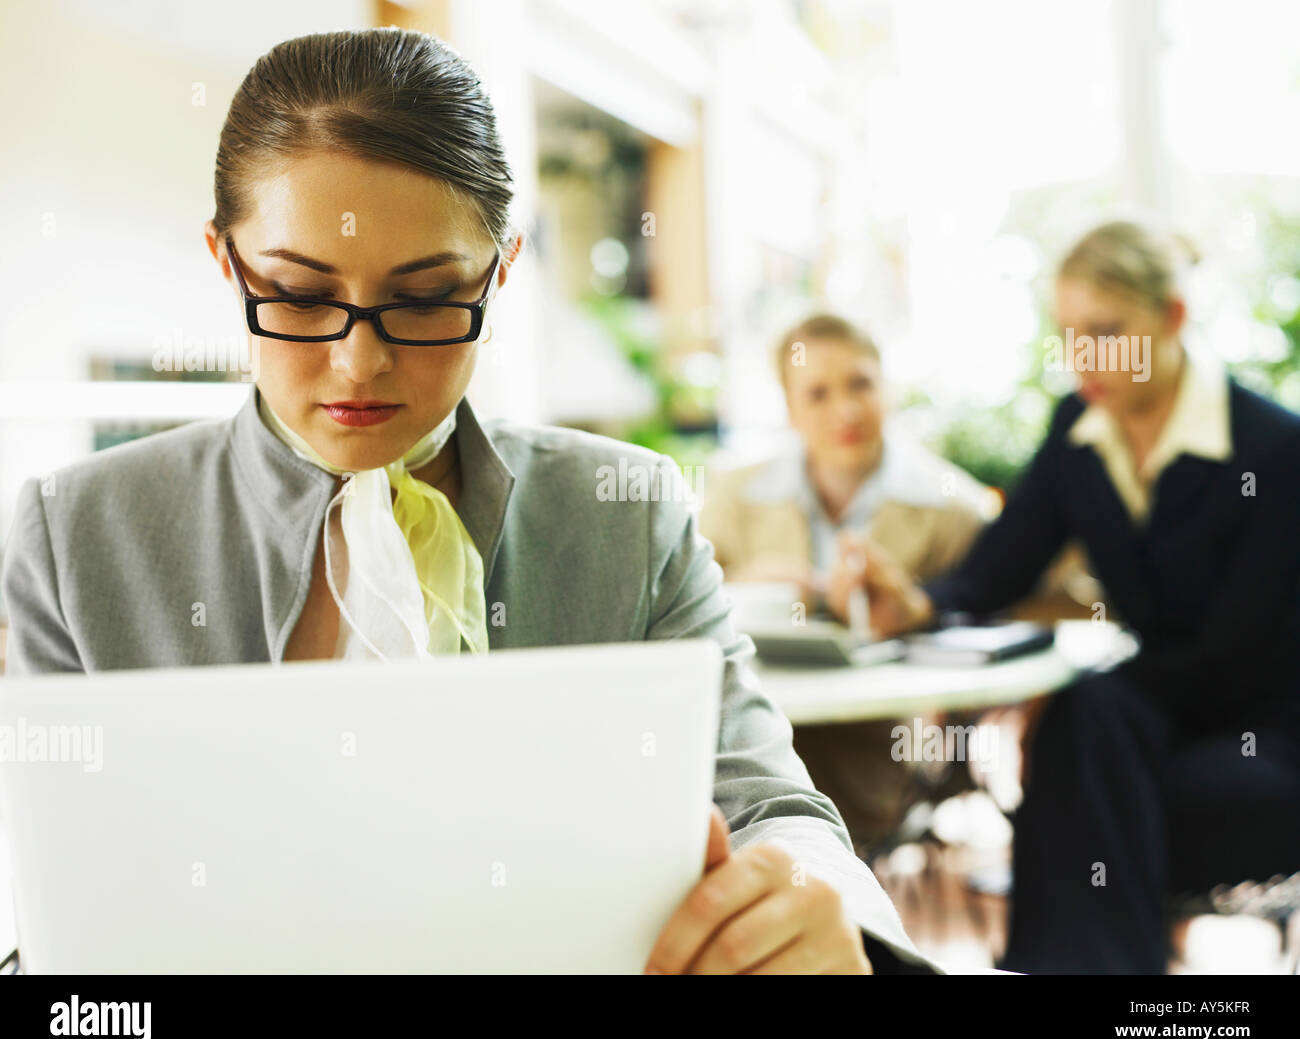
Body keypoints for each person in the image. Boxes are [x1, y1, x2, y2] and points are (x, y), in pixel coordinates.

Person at [0, 27, 940, 975]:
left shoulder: (626, 512)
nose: (358, 361)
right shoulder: (74, 538)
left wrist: (819, 903)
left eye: (425, 298)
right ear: (225, 260)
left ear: (502, 267)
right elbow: (63, 901)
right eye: (296, 293)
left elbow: (767, 803)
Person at [828, 219, 1300, 973]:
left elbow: (1234, 664)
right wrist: (912, 603)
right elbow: (993, 573)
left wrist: (1094, 694)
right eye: (1069, 333)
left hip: (1265, 746)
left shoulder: (1274, 450)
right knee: (1087, 747)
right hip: (1146, 735)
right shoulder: (1078, 429)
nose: (1083, 357)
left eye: (1106, 331)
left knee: (1083, 759)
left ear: (1174, 318)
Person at [700, 313, 994, 849]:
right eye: (818, 393)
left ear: (888, 388)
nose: (846, 409)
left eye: (860, 383)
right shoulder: (734, 496)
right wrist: (746, 584)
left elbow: (993, 605)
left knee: (793, 822)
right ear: (791, 409)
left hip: (879, 738)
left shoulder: (955, 506)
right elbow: (687, 604)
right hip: (750, 724)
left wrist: (907, 607)